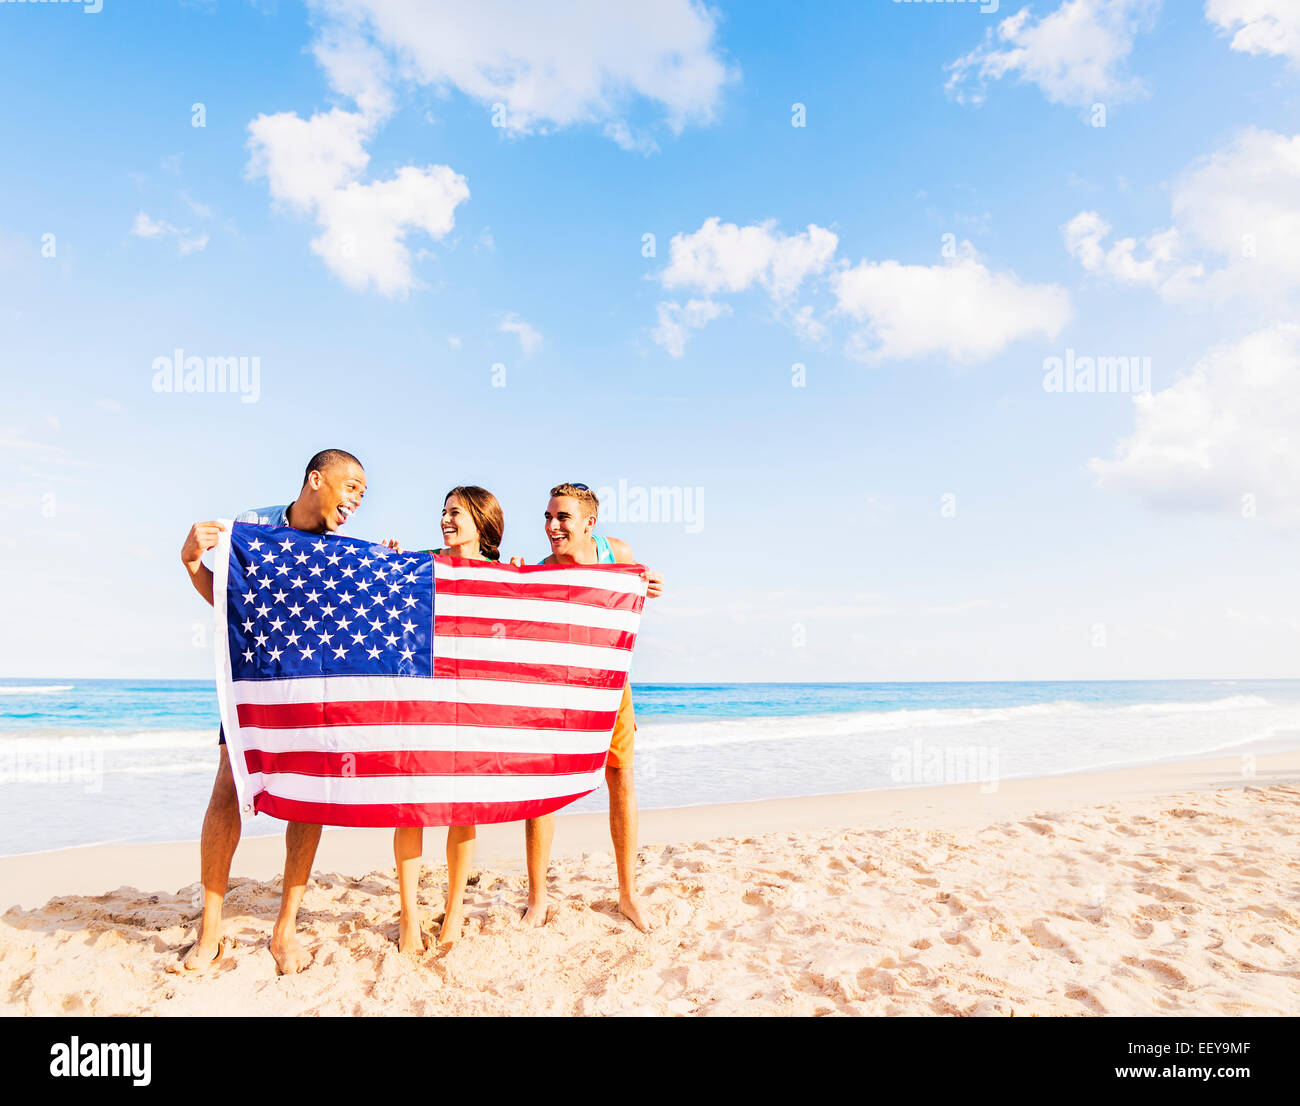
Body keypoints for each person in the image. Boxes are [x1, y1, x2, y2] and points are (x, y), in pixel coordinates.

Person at [175, 448, 367, 975]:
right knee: (227, 787)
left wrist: (386, 561)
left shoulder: (346, 550)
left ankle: (285, 927)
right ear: (316, 479)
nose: (355, 500)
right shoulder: (251, 528)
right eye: (350, 487)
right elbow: (224, 599)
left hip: (314, 684)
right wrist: (193, 561)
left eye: (362, 495)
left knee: (307, 795)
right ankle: (210, 929)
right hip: (254, 678)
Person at [523, 483, 664, 933]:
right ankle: (538, 896)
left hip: (609, 684)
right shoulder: (542, 571)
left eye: (562, 517)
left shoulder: (616, 553)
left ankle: (627, 893)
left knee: (620, 776)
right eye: (548, 516)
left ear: (589, 522)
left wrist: (651, 584)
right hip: (560, 688)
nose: (551, 526)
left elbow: (628, 611)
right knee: (542, 787)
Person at [393, 486, 505, 954]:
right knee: (412, 805)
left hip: (473, 703)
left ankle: (455, 909)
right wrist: (390, 561)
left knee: (463, 808)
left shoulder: (503, 573)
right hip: (424, 695)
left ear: (481, 520)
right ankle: (409, 916)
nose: (445, 519)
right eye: (442, 512)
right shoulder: (420, 561)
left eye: (455, 512)